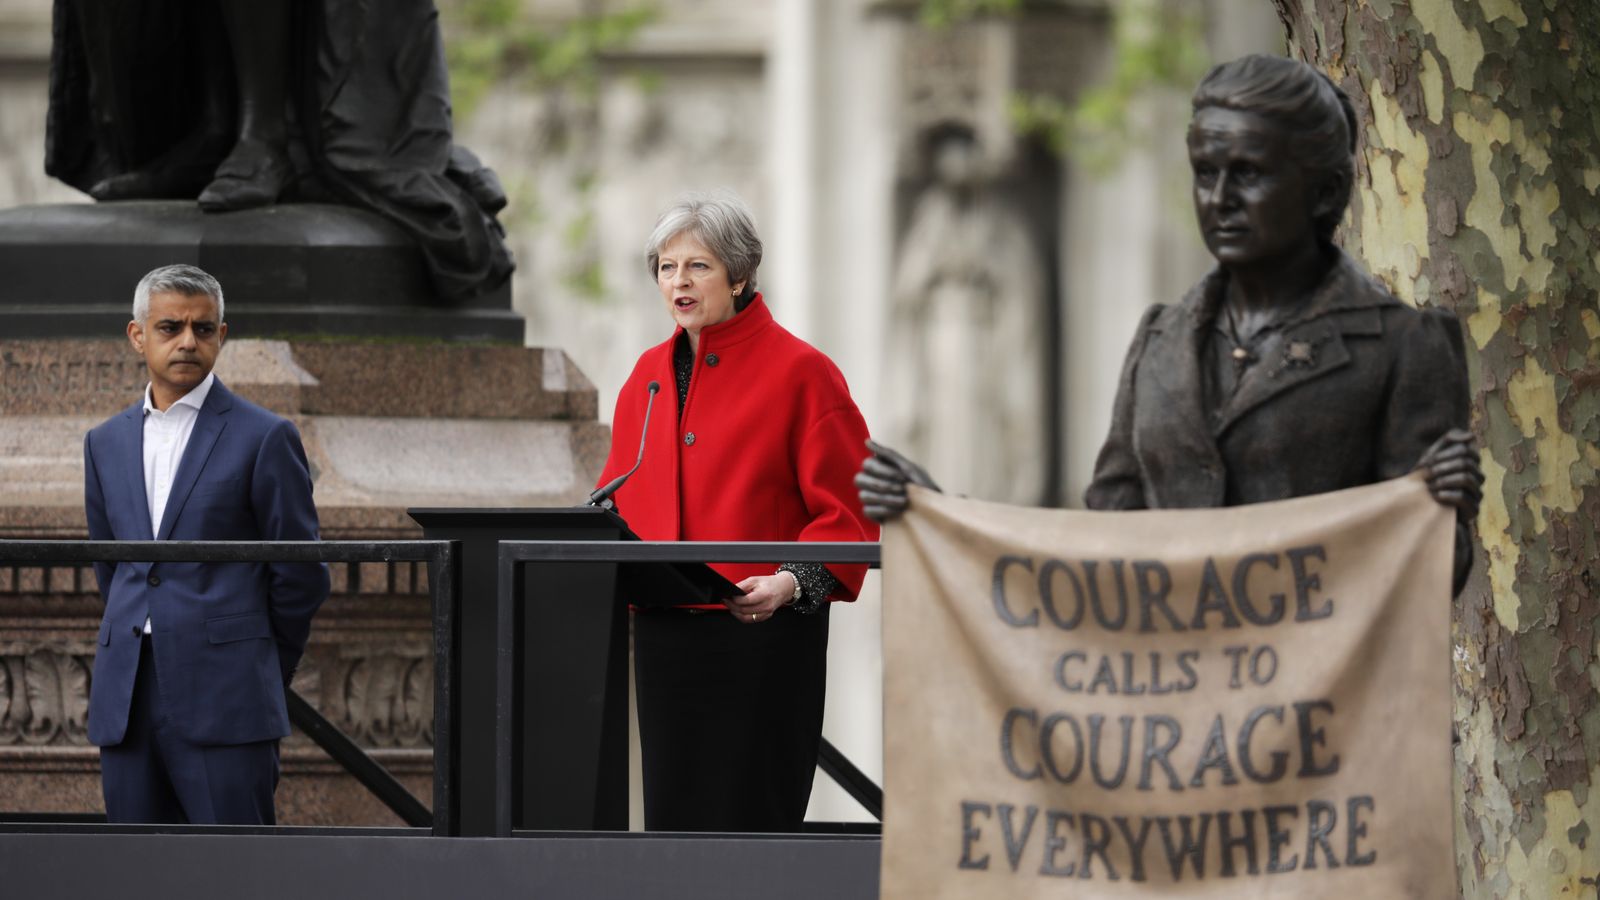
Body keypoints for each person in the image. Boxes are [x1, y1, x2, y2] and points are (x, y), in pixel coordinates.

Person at [858, 54, 1482, 594]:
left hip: (1327, 718)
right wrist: (947, 519)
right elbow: (1100, 549)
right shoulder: (1160, 342)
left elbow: (1430, 579)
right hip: (1173, 714)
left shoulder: (1405, 346)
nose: (1219, 198)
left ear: (1323, 192)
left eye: (1250, 174)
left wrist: (1443, 511)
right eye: (1206, 173)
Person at [598, 191, 877, 832]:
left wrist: (788, 581)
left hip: (763, 637)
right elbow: (617, 495)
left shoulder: (804, 372)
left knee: (753, 834)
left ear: (741, 274)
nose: (679, 283)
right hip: (668, 639)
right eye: (667, 268)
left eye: (697, 266)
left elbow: (851, 511)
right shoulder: (644, 374)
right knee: (676, 832)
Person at [83, 264, 329, 824]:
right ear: (138, 335)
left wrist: (258, 663)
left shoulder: (265, 436)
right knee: (136, 873)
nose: (188, 341)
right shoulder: (104, 443)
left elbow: (301, 574)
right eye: (170, 327)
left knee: (233, 875)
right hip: (127, 697)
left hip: (229, 696)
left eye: (204, 328)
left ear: (223, 335)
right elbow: (111, 567)